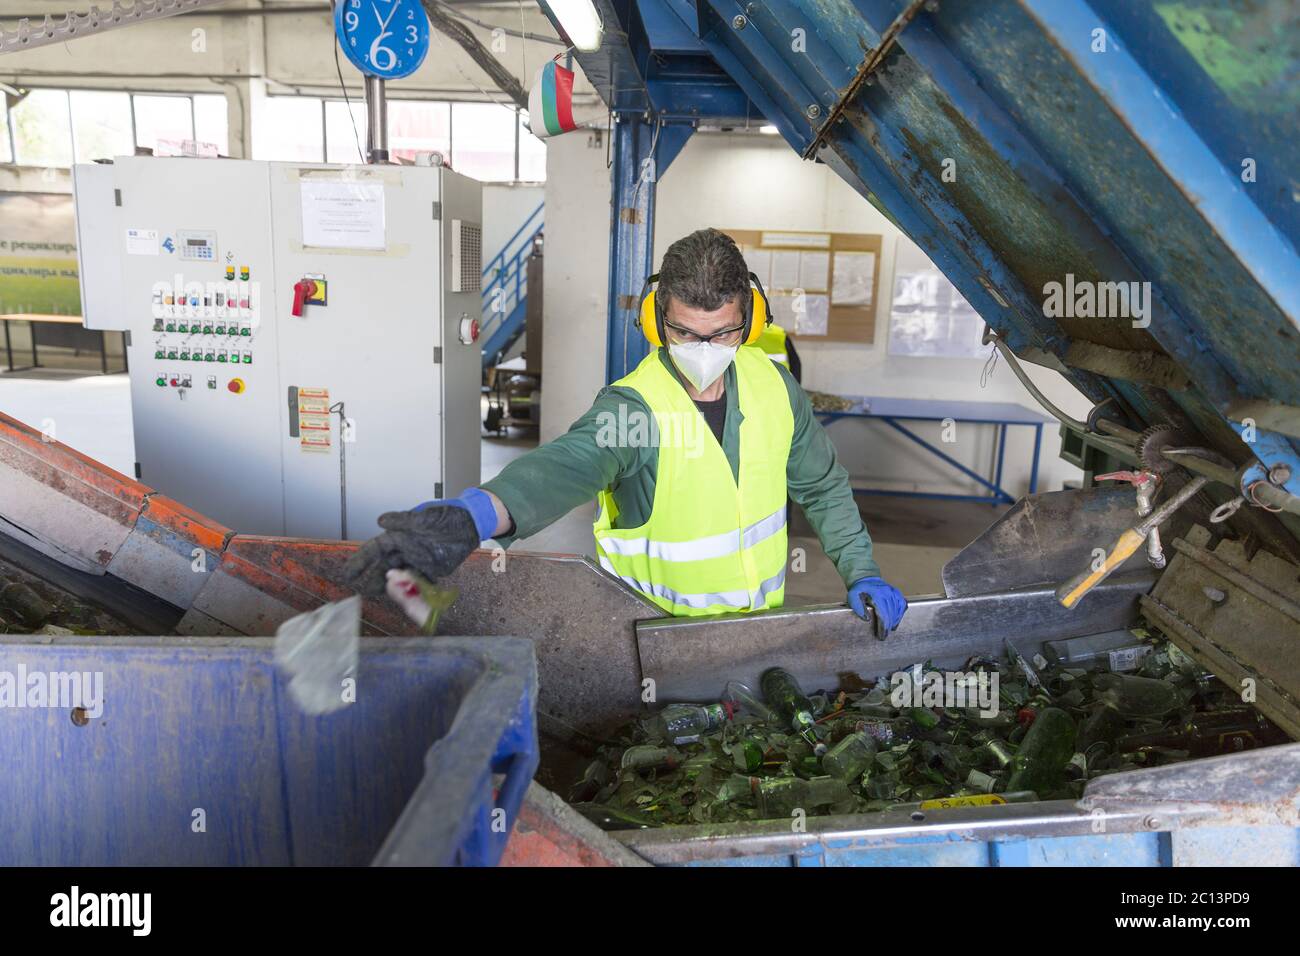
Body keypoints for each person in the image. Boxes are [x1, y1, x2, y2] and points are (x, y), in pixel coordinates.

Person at [346, 228, 906, 631]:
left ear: (751, 321)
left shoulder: (775, 387)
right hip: (646, 637)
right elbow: (566, 466)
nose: (705, 351)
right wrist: (474, 514)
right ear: (655, 321)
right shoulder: (634, 408)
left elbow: (823, 486)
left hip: (755, 632)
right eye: (686, 334)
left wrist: (861, 571)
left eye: (725, 333)